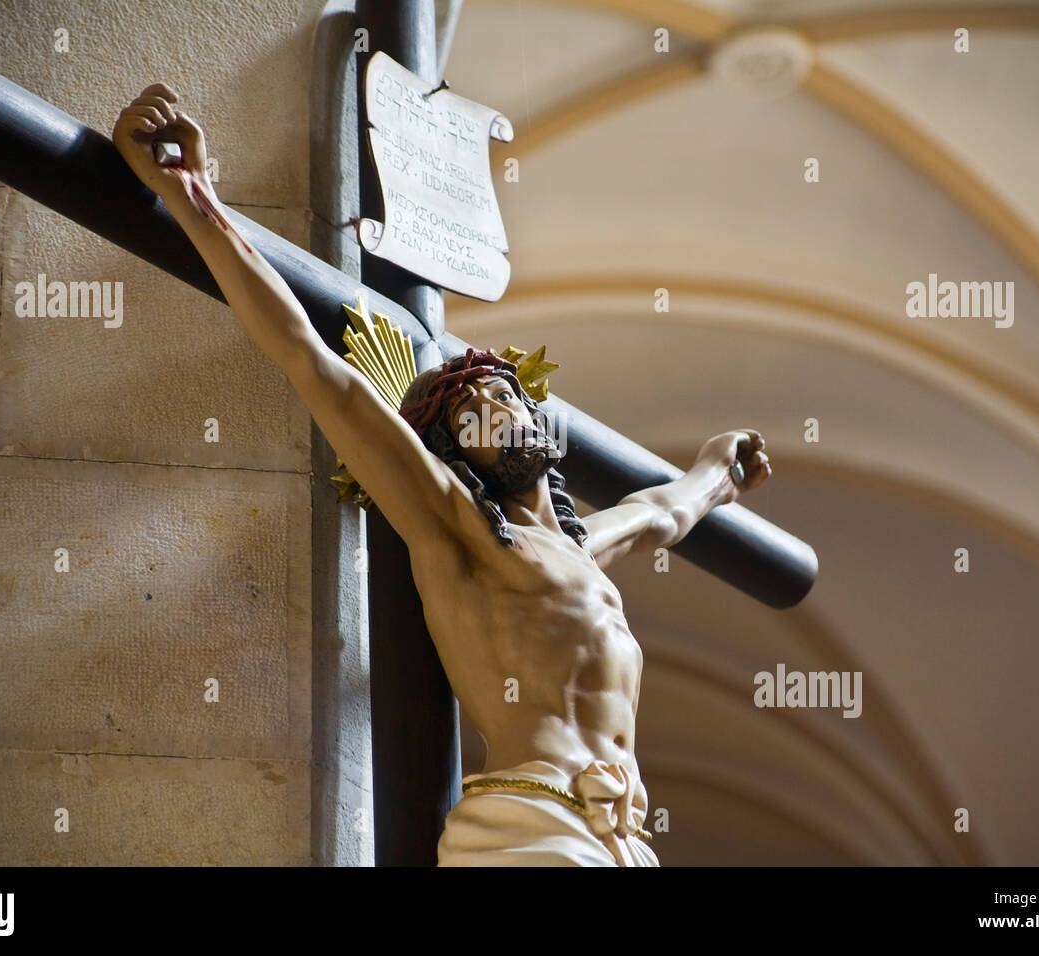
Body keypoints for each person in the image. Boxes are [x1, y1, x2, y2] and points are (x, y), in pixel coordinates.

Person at [113, 84, 770, 866]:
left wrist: (718, 466)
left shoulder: (582, 548)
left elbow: (667, 511)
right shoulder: (456, 524)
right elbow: (312, 363)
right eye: (470, 414)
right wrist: (193, 196)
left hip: (621, 839)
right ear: (456, 454)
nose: (498, 413)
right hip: (532, 827)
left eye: (506, 398)